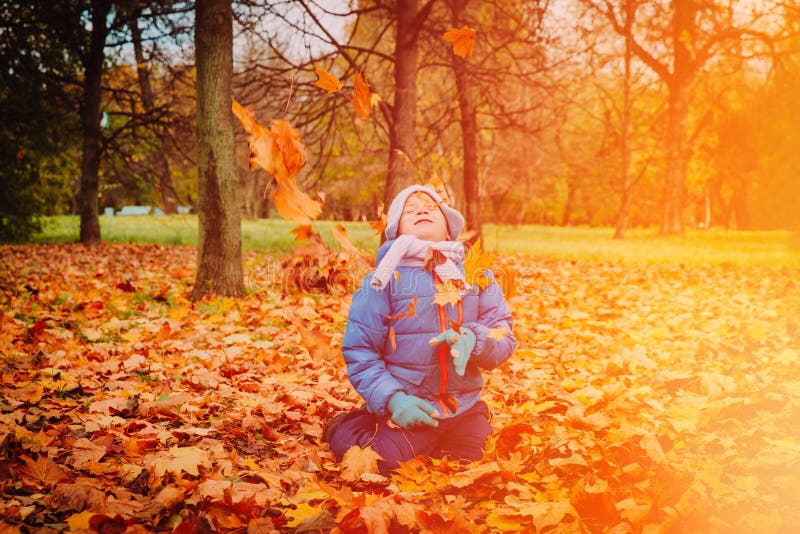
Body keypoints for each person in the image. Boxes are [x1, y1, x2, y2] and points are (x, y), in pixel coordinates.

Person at [323, 184, 517, 476]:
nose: (421, 210)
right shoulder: (384, 279)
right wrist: (394, 400)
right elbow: (360, 350)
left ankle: (466, 424)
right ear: (396, 230)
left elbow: (503, 333)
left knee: (474, 463)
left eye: (430, 207)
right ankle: (347, 425)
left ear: (449, 228)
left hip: (462, 405)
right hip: (407, 406)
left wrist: (475, 339)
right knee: (383, 464)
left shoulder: (477, 275)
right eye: (409, 210)